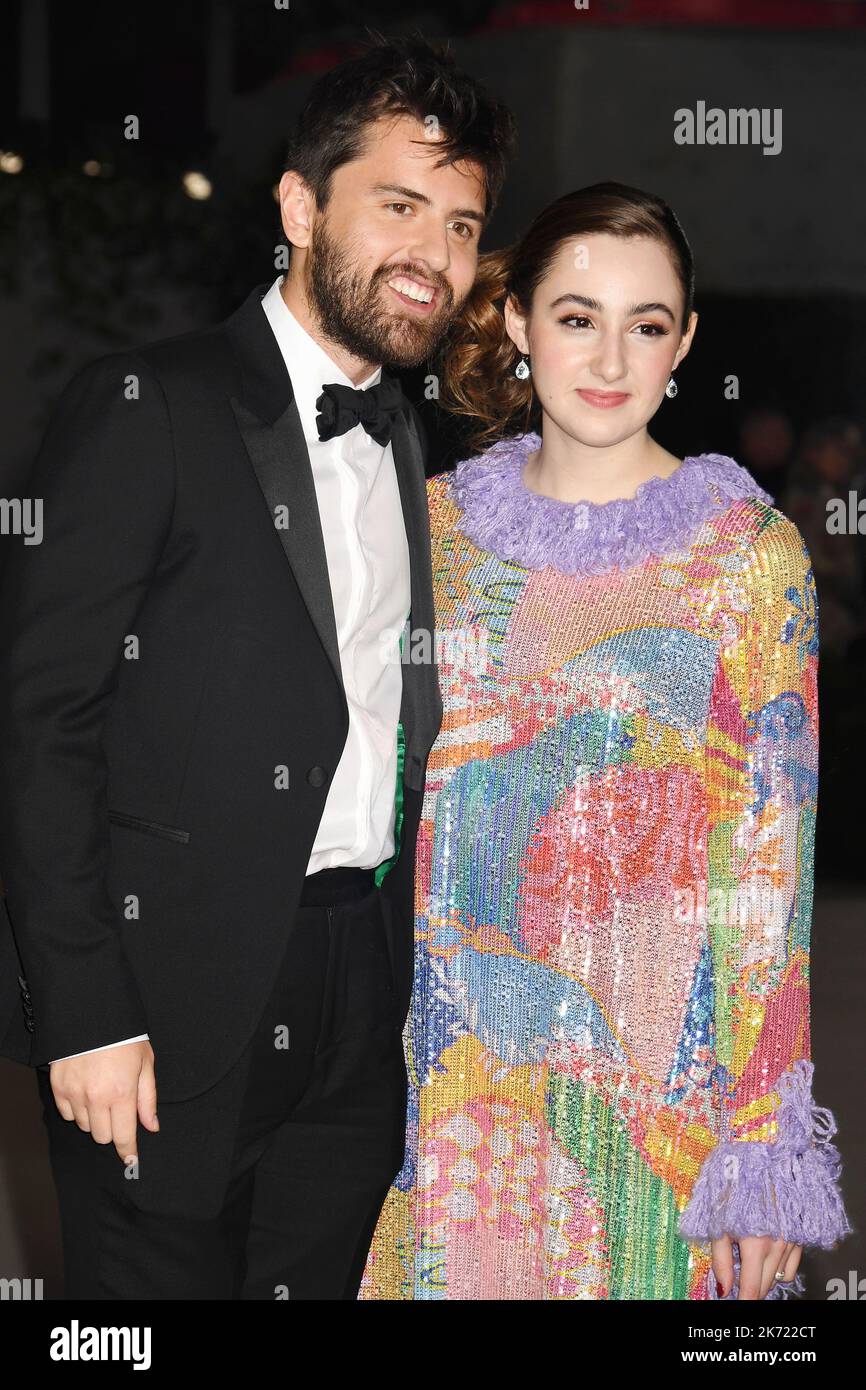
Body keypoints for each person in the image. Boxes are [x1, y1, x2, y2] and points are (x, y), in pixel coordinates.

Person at [0, 34, 515, 1299]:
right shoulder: (145, 403)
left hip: (360, 988)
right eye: (397, 205)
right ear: (298, 205)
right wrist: (85, 1009)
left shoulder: (409, 439)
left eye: (459, 224)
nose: (432, 254)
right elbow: (40, 719)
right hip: (167, 989)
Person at [358, 182, 852, 1301]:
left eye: (646, 323)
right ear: (518, 324)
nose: (610, 356)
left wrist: (760, 1151)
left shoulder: (745, 558)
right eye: (576, 316)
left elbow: (769, 878)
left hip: (663, 1121)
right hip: (447, 1093)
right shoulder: (426, 532)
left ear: (682, 344)